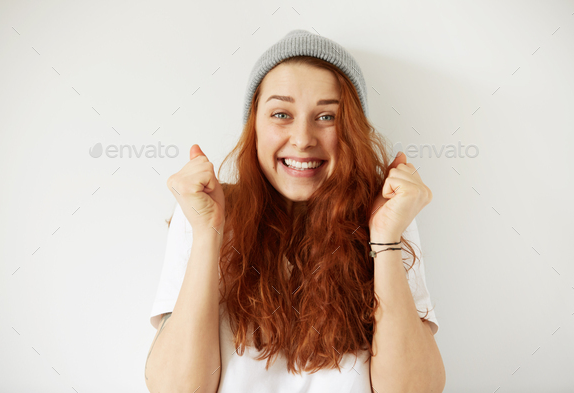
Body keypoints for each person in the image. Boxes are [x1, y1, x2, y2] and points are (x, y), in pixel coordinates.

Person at [145, 29, 445, 393]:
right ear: (253, 126)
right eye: (281, 113)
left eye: (326, 117)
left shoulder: (386, 217)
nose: (303, 139)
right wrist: (209, 235)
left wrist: (385, 238)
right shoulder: (205, 212)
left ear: (352, 130)